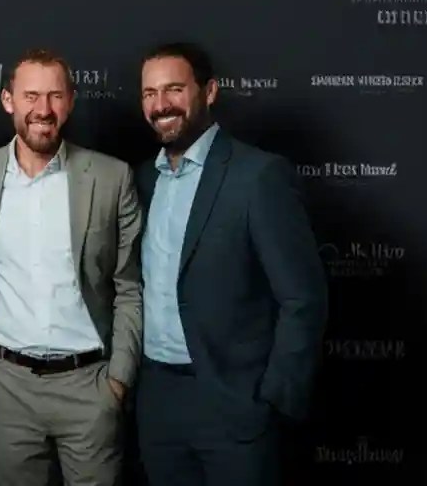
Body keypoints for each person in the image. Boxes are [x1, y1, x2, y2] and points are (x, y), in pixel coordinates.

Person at [133, 42, 328, 486]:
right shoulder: (142, 179)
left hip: (233, 400)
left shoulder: (258, 176)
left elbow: (303, 297)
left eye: (174, 89)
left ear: (210, 91)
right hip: (157, 401)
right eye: (149, 93)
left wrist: (272, 398)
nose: (160, 104)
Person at [0, 48, 144, 486]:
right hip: (6, 389)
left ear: (71, 101)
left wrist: (117, 381)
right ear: (8, 100)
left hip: (90, 386)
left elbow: (130, 286)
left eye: (55, 96)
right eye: (31, 96)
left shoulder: (112, 178)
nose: (43, 109)